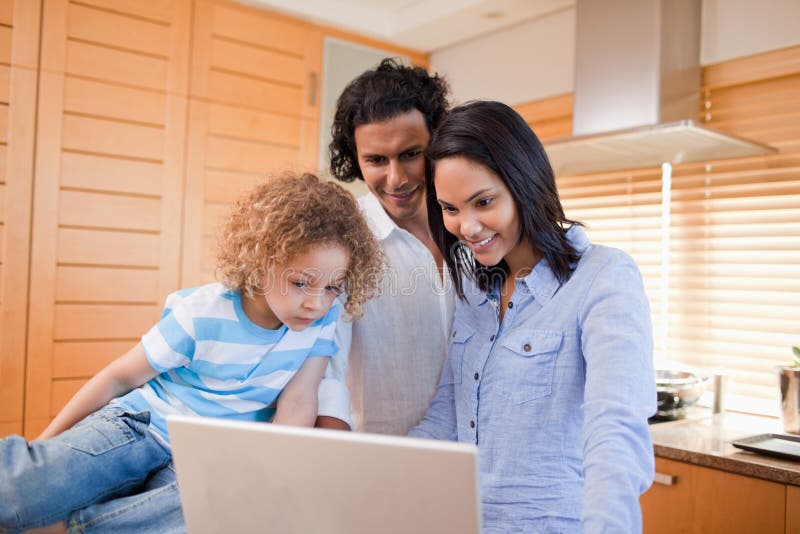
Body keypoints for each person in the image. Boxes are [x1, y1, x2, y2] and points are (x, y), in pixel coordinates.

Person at [0, 173, 383, 533]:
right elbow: (118, 378)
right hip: (142, 425)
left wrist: (268, 479)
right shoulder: (202, 314)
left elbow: (299, 401)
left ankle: (69, 527)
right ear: (262, 261)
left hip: (208, 457)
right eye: (301, 283)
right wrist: (45, 446)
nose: (316, 303)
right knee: (24, 487)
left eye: (333, 287)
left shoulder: (321, 321)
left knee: (217, 514)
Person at [409, 101, 656, 532]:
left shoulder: (603, 277)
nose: (466, 227)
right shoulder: (472, 290)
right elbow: (447, 417)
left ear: (525, 184)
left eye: (483, 202)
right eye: (450, 209)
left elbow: (614, 431)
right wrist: (378, 482)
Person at [327, 58, 454, 434]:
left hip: (475, 458)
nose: (396, 179)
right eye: (376, 160)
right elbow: (324, 370)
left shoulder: (475, 232)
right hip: (378, 463)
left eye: (411, 154)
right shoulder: (341, 241)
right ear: (356, 160)